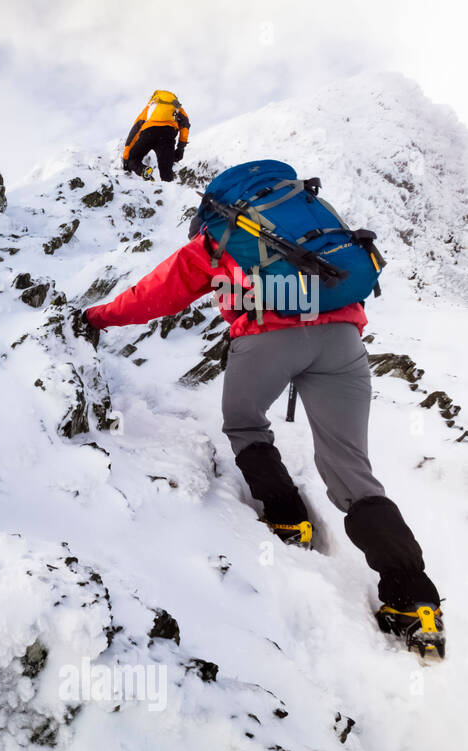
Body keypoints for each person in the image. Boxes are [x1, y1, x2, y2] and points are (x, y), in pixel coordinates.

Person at [80, 223, 445, 656]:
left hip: (267, 338)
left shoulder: (222, 236)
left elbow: (159, 293)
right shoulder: (317, 226)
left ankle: (289, 518)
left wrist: (96, 317)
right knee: (352, 469)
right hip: (343, 341)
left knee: (246, 424)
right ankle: (414, 601)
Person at [122, 90, 190, 182]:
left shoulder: (150, 106)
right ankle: (166, 192)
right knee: (166, 172)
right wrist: (181, 148)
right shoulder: (177, 107)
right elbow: (185, 125)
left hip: (148, 133)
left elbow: (135, 130)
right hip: (167, 135)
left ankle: (143, 170)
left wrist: (126, 157)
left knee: (133, 159)